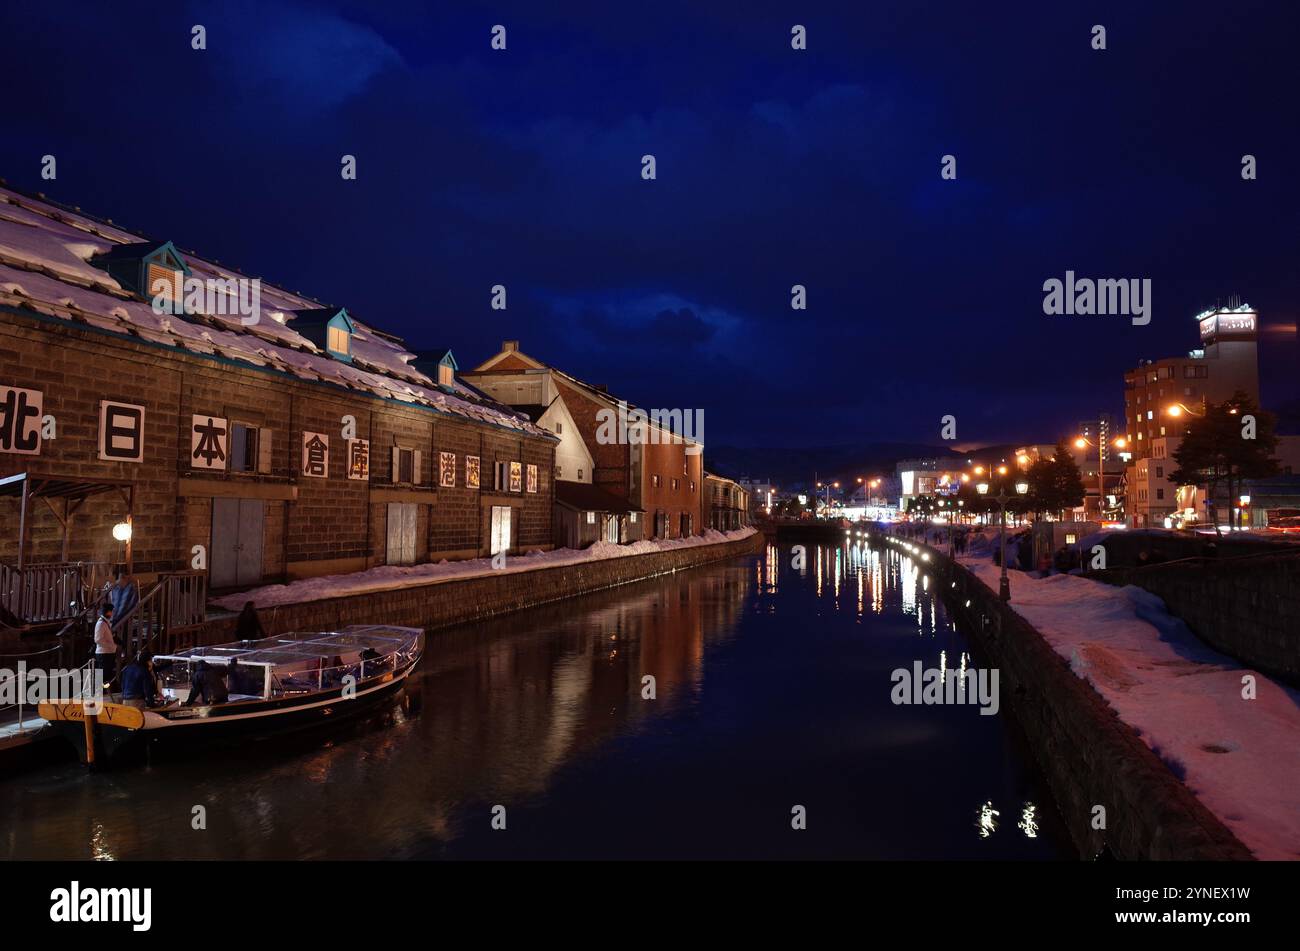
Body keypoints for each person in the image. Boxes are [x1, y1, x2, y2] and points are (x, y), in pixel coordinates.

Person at [93, 601, 118, 693]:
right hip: (104, 653)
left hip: (108, 652)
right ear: (108, 612)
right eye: (111, 612)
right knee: (104, 674)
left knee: (107, 674)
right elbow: (98, 639)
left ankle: (105, 691)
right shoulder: (101, 624)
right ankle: (101, 691)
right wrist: (111, 646)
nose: (111, 614)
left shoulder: (105, 623)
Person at [108, 567, 139, 633]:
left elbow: (127, 606)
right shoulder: (116, 588)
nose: (118, 581)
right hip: (117, 619)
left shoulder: (130, 589)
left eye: (121, 578)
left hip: (124, 619)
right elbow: (113, 604)